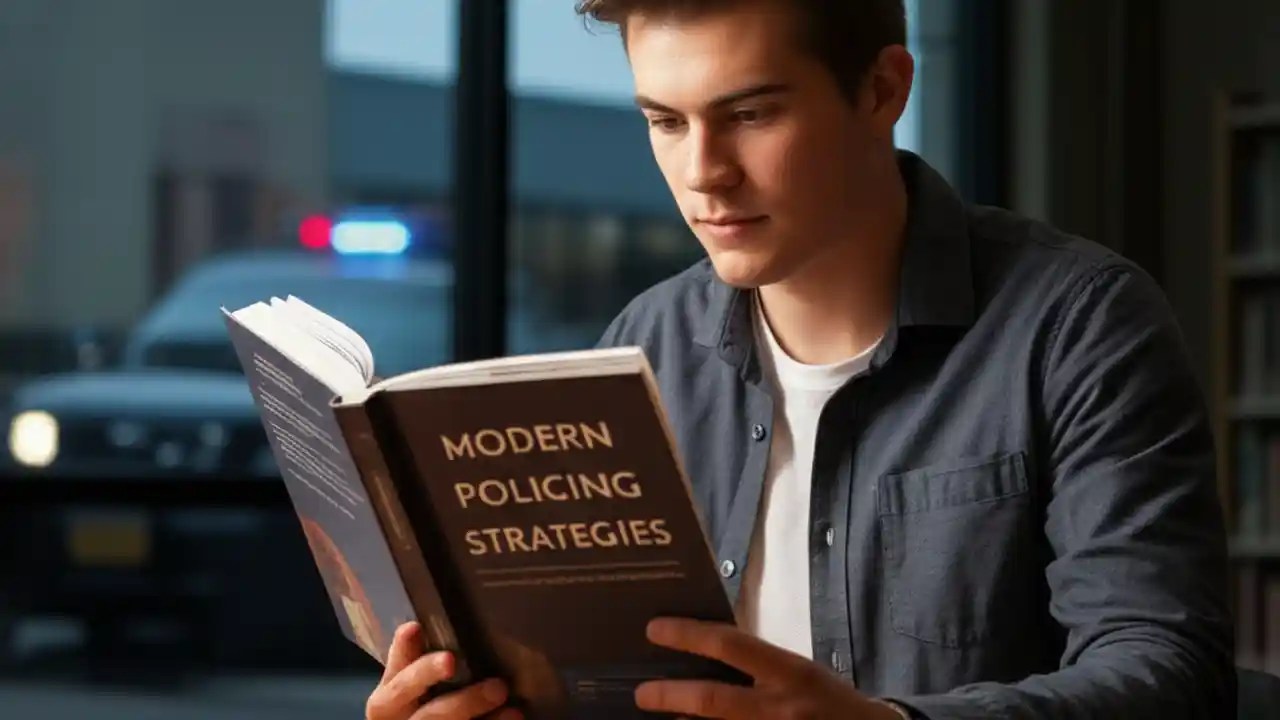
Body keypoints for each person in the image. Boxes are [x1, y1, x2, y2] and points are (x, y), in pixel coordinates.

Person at [364, 0, 1237, 718]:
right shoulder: (646, 345)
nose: (704, 173)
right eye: (665, 121)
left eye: (750, 114)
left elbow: (1165, 667)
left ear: (883, 89)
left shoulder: (1077, 323)